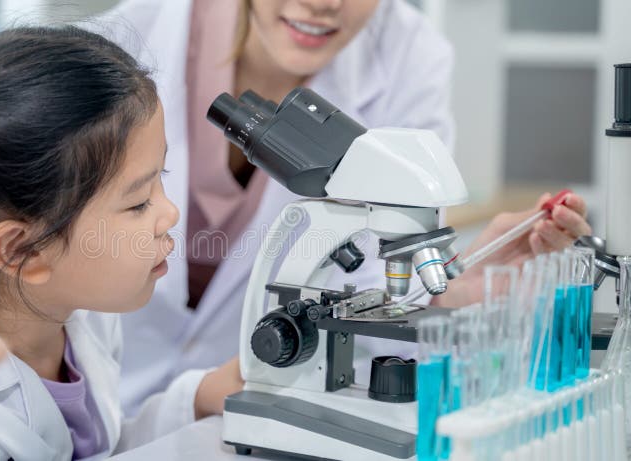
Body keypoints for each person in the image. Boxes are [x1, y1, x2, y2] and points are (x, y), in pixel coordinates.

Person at [96, 0, 593, 415]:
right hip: (87, 402)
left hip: (237, 404)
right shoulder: (121, 39)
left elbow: (377, 277)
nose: (325, 3)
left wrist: (453, 290)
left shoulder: (411, 56)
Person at [0, 25, 241, 460]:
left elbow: (95, 450)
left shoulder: (81, 319)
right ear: (22, 251)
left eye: (163, 177)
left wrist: (191, 401)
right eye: (138, 202)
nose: (170, 214)